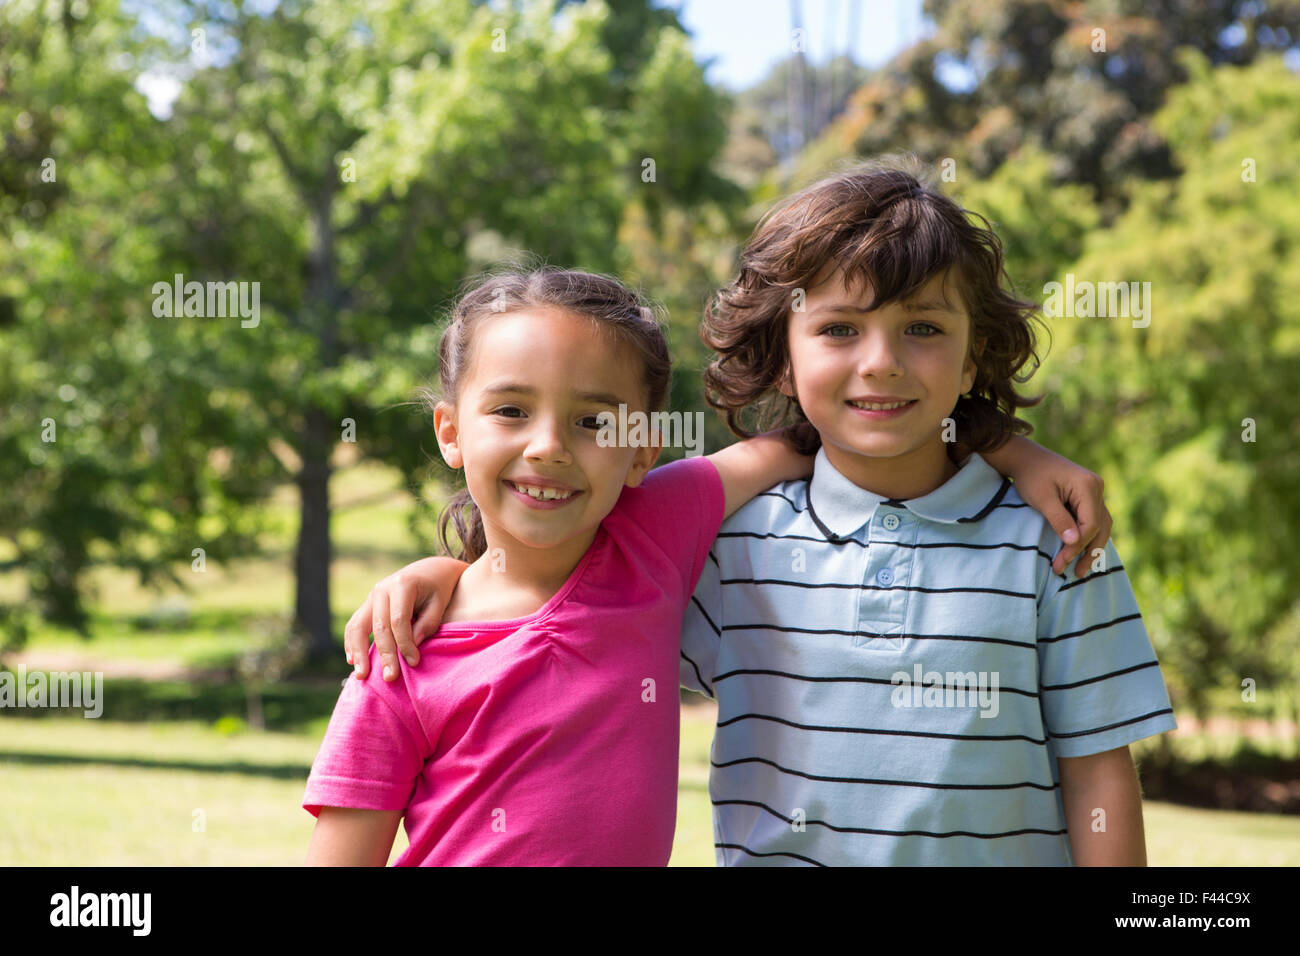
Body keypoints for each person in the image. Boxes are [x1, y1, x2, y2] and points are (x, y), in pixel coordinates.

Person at [349, 163, 1173, 867]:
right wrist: (444, 575)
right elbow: (554, 579)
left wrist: (1011, 451)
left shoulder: (1058, 541)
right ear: (783, 355)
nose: (880, 363)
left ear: (975, 355)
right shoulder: (721, 544)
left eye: (923, 327)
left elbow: (1099, 771)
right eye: (840, 329)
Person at [304, 267, 816, 865]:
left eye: (593, 422)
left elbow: (802, 442)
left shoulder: (651, 536)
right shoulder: (400, 653)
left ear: (643, 449)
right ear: (450, 432)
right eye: (511, 410)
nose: (548, 445)